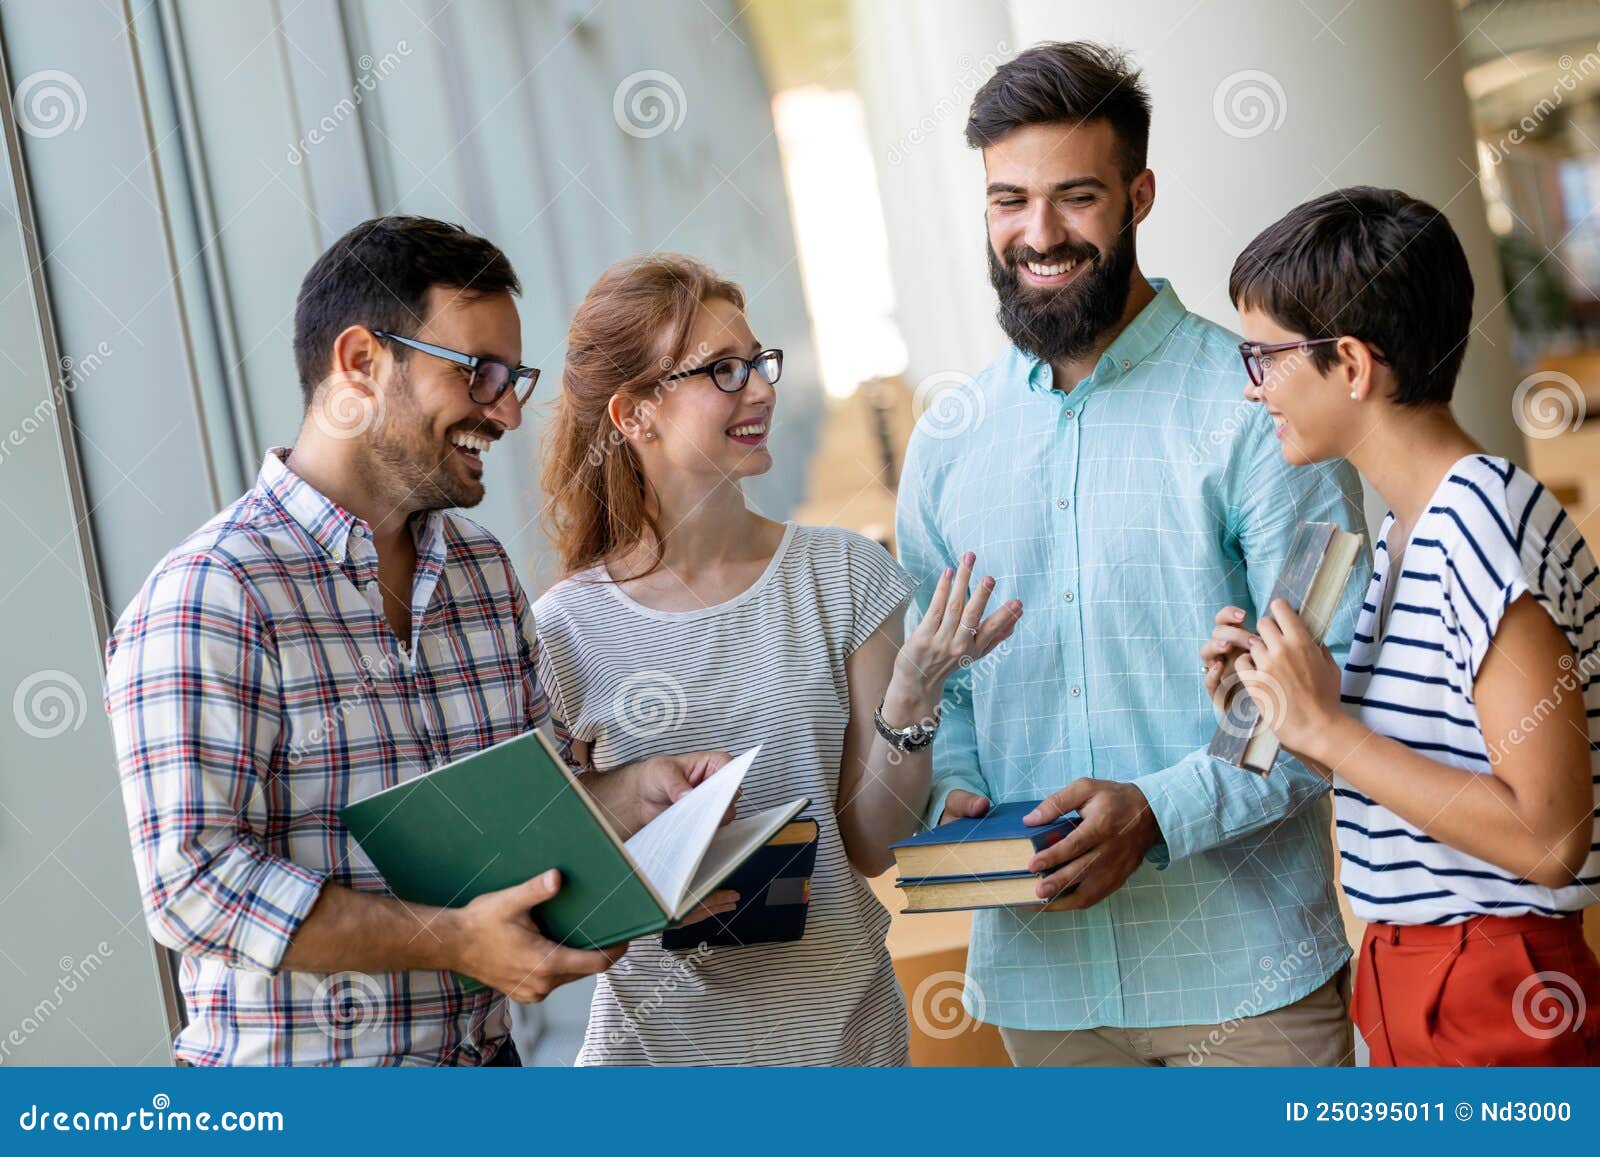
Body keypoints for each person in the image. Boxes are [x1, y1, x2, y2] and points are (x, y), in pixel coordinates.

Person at [103, 216, 727, 1066]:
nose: (507, 410)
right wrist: (454, 939)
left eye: (515, 378)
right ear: (361, 363)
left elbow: (528, 811)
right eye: (481, 373)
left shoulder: (479, 571)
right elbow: (192, 886)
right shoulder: (214, 594)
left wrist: (632, 796)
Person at [895, 41, 1368, 1067]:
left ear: (1138, 194)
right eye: (1008, 201)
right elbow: (947, 692)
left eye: (1075, 198)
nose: (1040, 234)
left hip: (1248, 978)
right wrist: (957, 798)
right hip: (1043, 987)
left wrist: (1157, 809)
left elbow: (1320, 693)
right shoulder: (945, 444)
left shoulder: (1261, 411)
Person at [532, 253, 1020, 1065]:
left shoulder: (845, 577)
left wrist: (913, 693)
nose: (759, 388)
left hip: (842, 1047)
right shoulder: (564, 631)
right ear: (634, 413)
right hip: (658, 1064)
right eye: (722, 370)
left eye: (759, 362)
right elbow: (548, 875)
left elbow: (870, 844)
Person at [1207, 186, 1600, 1065]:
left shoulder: (1479, 519)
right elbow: (1433, 778)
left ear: (1350, 363)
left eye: (1264, 357)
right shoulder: (1407, 527)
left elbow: (1548, 835)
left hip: (1492, 986)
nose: (1252, 388)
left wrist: (1330, 729)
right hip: (1420, 977)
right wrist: (1289, 713)